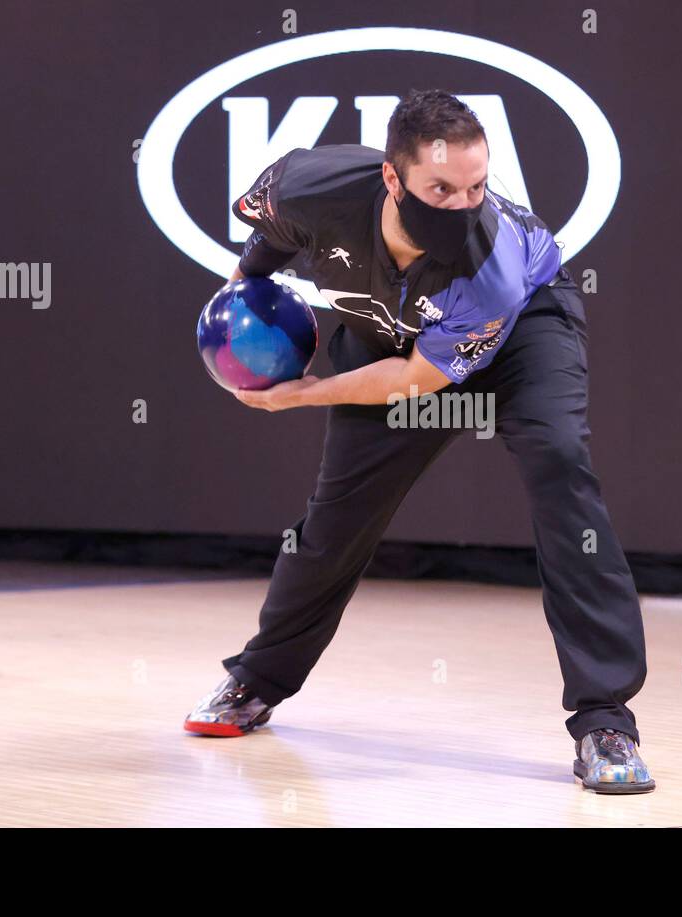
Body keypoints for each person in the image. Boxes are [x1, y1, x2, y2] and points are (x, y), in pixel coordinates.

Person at [183, 89, 653, 794]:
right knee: (336, 518)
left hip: (523, 335)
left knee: (560, 469)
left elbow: (414, 379)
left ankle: (605, 720)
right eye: (441, 190)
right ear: (393, 177)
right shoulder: (310, 185)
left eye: (476, 187)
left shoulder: (490, 261)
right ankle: (257, 678)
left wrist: (301, 394)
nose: (462, 205)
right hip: (389, 333)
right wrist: (242, 301)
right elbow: (273, 232)